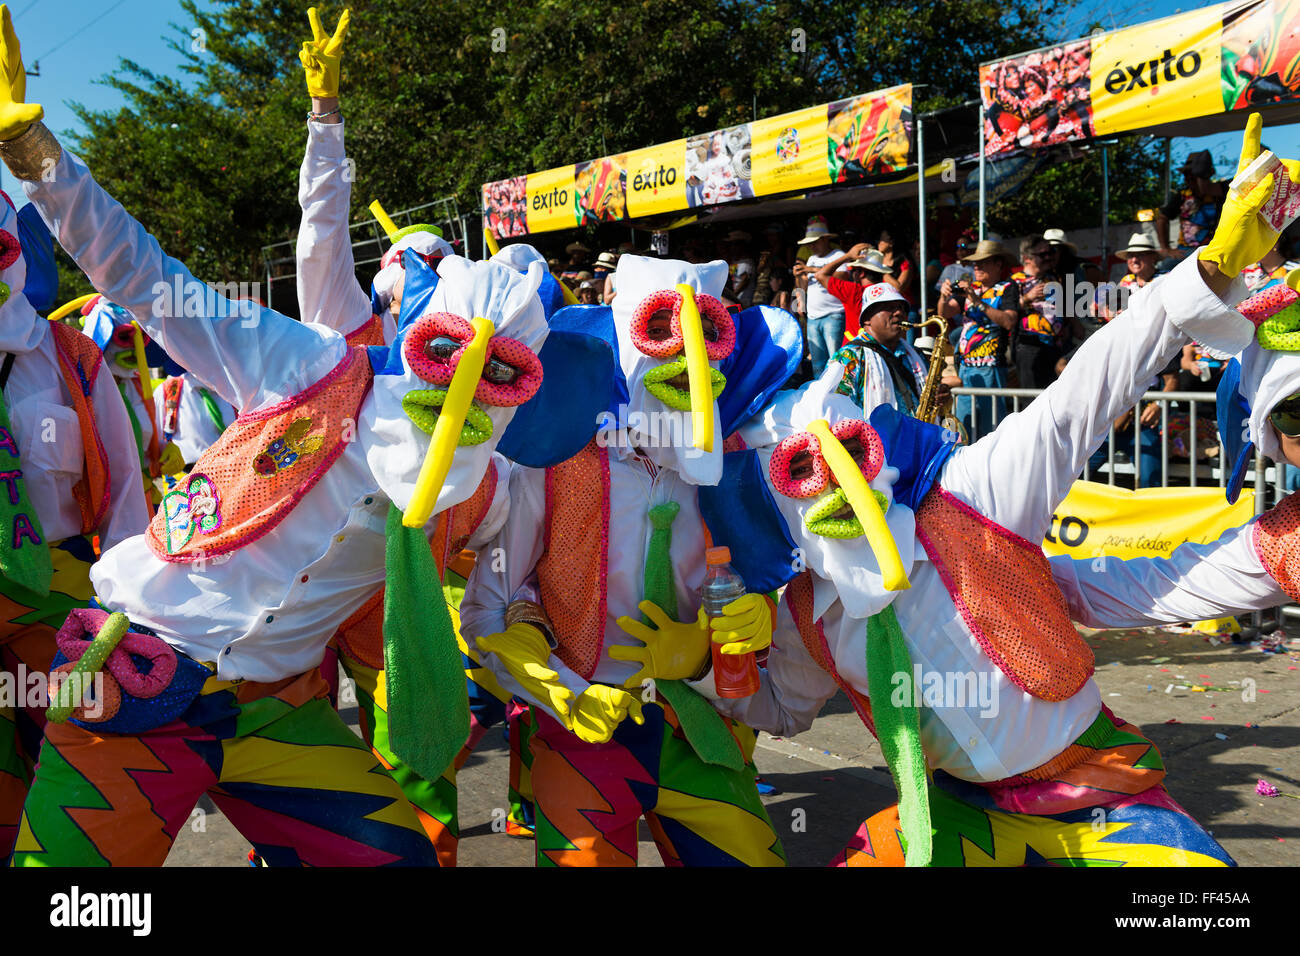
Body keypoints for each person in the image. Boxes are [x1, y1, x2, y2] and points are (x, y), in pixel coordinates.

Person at [0, 6, 563, 866]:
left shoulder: (490, 491)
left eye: (501, 373)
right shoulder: (314, 364)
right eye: (448, 353)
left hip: (279, 716)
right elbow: (150, 279)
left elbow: (515, 603)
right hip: (132, 684)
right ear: (414, 334)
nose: (460, 392)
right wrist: (35, 157)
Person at [696, 153, 1270, 862]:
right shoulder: (806, 613)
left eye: (846, 448)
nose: (838, 481)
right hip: (958, 818)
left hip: (1098, 796)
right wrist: (718, 651)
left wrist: (1208, 269)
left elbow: (1092, 386)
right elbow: (776, 710)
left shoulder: (972, 493)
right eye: (803, 471)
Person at [462, 255, 796, 867]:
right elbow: (487, 609)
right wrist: (552, 683)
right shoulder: (555, 461)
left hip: (698, 729)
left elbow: (764, 588)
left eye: (707, 334)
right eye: (664, 330)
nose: (688, 360)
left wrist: (726, 638)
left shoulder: (737, 464)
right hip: (584, 735)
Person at [1051, 119, 1300, 665]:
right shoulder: (1292, 543)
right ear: (1267, 435)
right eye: (1297, 411)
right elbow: (1141, 587)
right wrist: (1009, 567)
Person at [0, 201, 150, 858]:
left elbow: (123, 491)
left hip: (53, 592)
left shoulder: (72, 359)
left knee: (70, 770)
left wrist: (132, 612)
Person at [937, 239, 1019, 439]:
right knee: (964, 427)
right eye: (975, 262)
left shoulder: (1007, 287)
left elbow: (1009, 321)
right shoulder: (971, 288)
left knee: (990, 429)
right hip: (965, 367)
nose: (976, 266)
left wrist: (978, 302)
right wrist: (943, 296)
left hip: (990, 367)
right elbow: (944, 312)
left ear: (998, 264)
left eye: (982, 262)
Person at [825, 282, 929, 419]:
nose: (899, 313)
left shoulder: (916, 355)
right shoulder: (849, 357)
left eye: (901, 308)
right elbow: (834, 410)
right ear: (867, 318)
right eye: (889, 308)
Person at [1013, 234, 1071, 388]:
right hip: (1029, 347)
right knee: (1033, 399)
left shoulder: (1053, 277)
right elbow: (1006, 312)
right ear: (1027, 258)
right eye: (1043, 254)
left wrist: (1067, 323)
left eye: (1050, 252)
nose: (1049, 257)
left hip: (1055, 347)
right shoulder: (1015, 281)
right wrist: (1027, 298)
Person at [793, 216, 847, 377]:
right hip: (813, 317)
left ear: (825, 239)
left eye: (815, 242)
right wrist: (799, 278)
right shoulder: (811, 259)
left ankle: (840, 397)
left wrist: (809, 269)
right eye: (810, 243)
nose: (812, 246)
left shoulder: (838, 255)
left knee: (836, 361)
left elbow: (842, 277)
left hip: (834, 314)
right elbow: (803, 286)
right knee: (817, 364)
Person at [1156, 149, 1228, 264]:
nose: (1189, 179)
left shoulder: (1219, 191)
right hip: (1185, 251)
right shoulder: (1182, 195)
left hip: (1213, 249)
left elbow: (1205, 188)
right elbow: (1161, 219)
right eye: (1186, 175)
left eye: (1193, 175)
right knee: (1162, 268)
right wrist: (1166, 249)